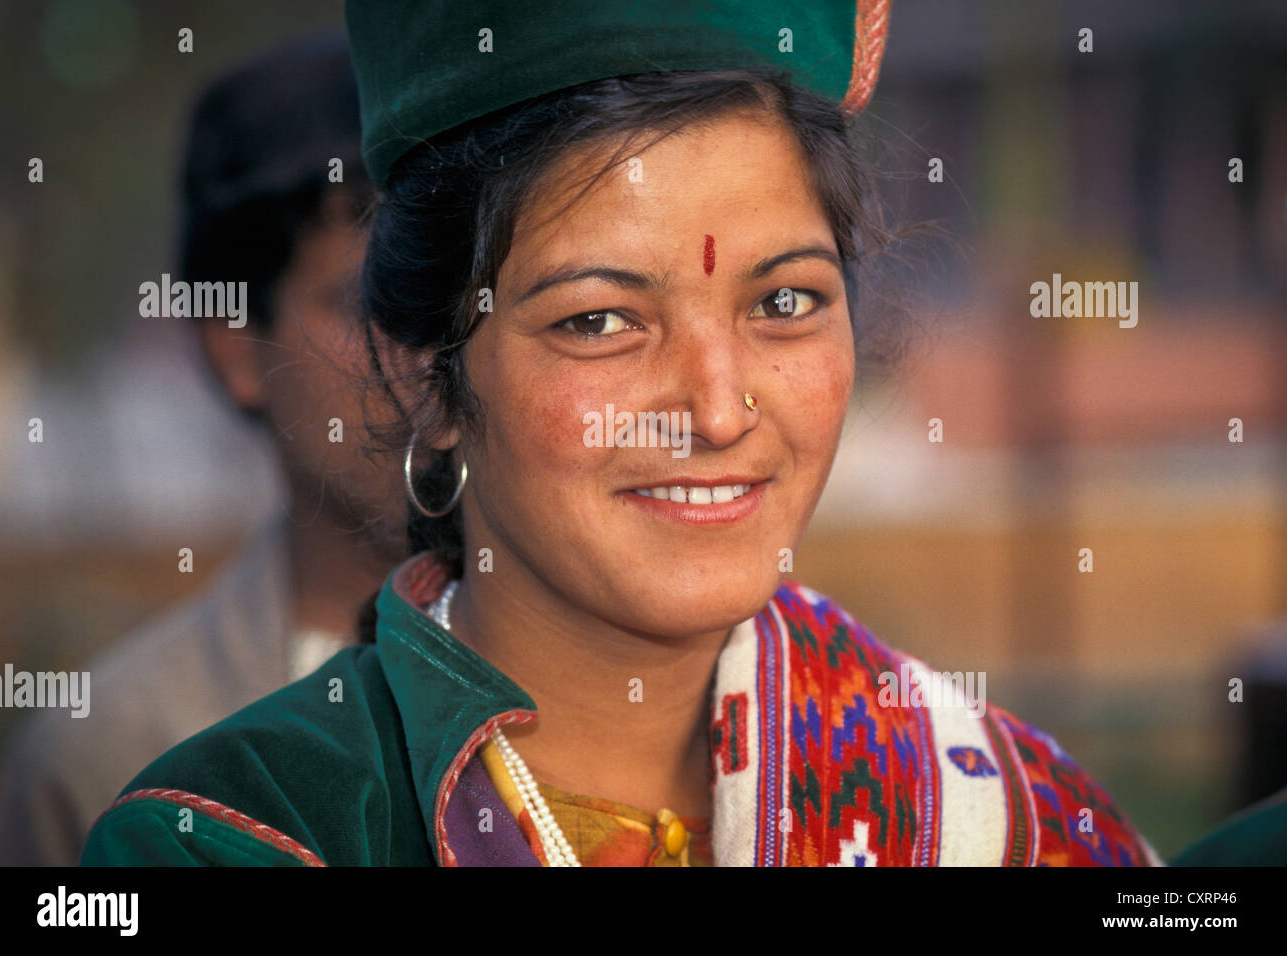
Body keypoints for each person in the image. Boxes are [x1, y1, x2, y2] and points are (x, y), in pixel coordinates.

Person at [79, 0, 1161, 867]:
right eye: (600, 320)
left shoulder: (1006, 819)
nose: (720, 407)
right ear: (436, 377)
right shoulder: (243, 830)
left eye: (783, 302)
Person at [0, 30, 405, 866]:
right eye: (366, 302)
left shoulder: (668, 676)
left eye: (445, 291)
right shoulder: (113, 755)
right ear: (235, 346)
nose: (421, 353)